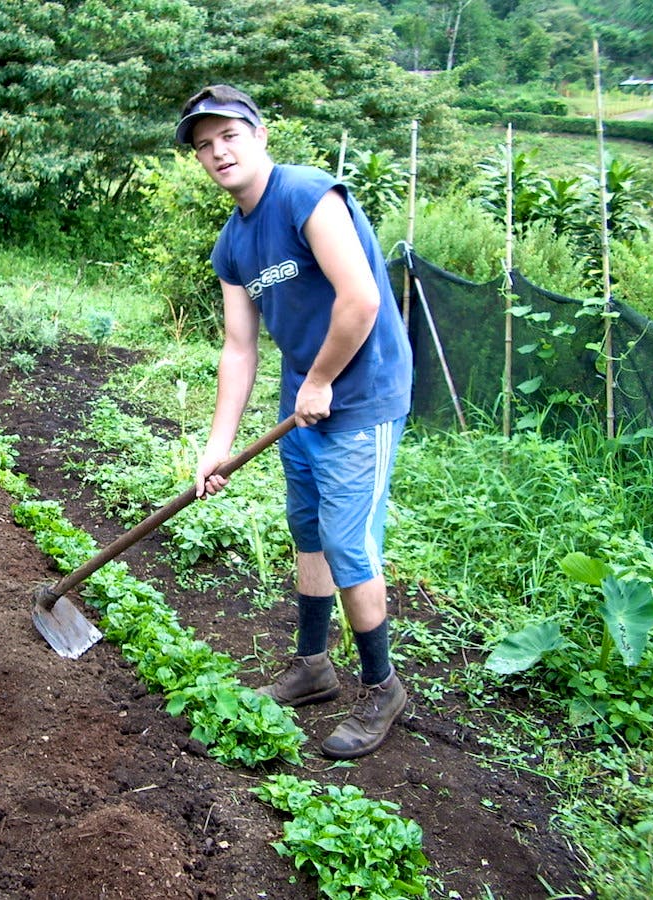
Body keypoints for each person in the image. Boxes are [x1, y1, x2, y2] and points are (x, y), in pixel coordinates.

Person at [178, 84, 413, 760]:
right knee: (306, 528)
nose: (218, 151)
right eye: (203, 145)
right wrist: (216, 448)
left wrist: (319, 381)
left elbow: (362, 299)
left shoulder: (306, 193)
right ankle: (313, 666)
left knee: (346, 540)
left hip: (359, 393)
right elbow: (239, 348)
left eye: (228, 135)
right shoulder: (233, 245)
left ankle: (383, 686)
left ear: (259, 136)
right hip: (303, 400)